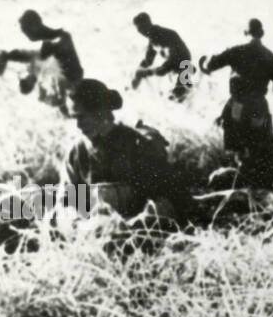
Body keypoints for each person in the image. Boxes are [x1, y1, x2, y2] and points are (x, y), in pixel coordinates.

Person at [61, 78, 196, 231]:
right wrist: (81, 224)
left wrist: (134, 225)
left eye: (82, 117)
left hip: (141, 231)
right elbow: (69, 201)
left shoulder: (137, 144)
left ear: (101, 112)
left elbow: (166, 198)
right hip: (96, 232)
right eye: (74, 118)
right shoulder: (76, 153)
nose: (78, 125)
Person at [200, 19, 273, 183]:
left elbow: (211, 65)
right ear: (262, 34)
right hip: (259, 107)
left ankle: (238, 182)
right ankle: (258, 183)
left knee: (238, 147)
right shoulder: (270, 56)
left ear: (245, 33)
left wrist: (203, 63)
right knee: (259, 146)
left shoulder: (237, 51)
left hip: (238, 106)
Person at [0, 10, 84, 113]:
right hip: (67, 85)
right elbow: (36, 56)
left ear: (35, 27)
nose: (27, 36)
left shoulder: (57, 40)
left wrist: (9, 57)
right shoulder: (54, 39)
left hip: (72, 85)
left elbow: (37, 57)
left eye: (26, 32)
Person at [131, 12, 194, 101]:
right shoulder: (152, 39)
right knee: (157, 73)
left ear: (148, 23)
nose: (140, 32)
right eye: (138, 29)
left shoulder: (164, 34)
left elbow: (178, 53)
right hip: (175, 63)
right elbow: (148, 60)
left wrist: (164, 67)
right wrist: (139, 70)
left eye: (141, 28)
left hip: (182, 60)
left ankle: (182, 89)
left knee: (179, 89)